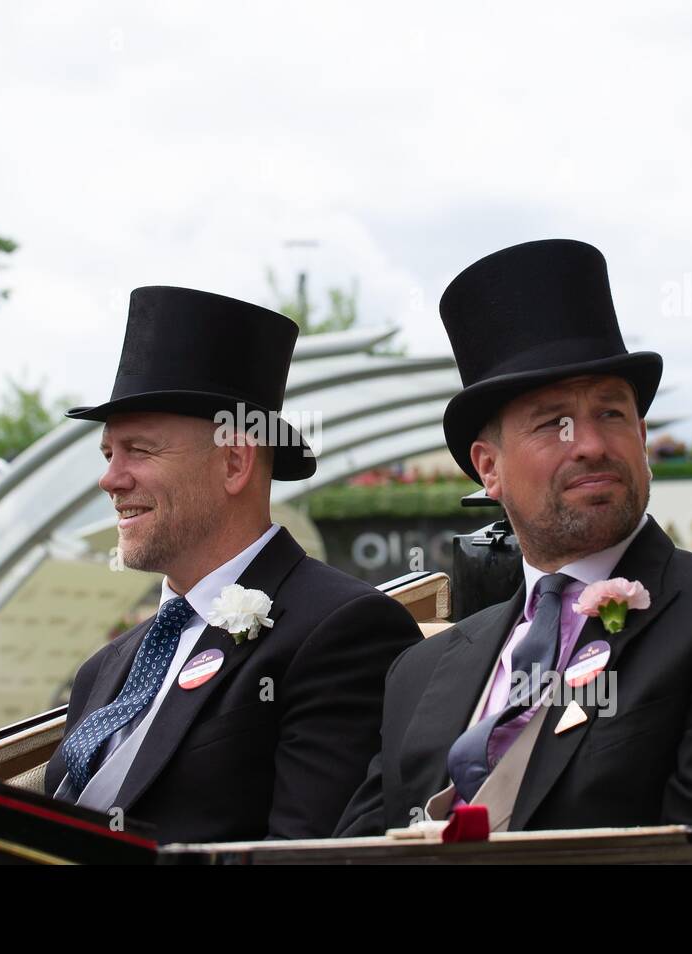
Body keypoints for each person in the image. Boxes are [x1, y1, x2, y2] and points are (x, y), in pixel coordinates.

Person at [336, 239, 692, 836]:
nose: (593, 444)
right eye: (555, 424)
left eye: (613, 413)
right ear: (487, 467)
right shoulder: (418, 671)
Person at [43, 286, 422, 842]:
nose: (110, 479)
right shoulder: (104, 668)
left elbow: (307, 857)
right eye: (108, 454)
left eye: (140, 451)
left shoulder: (344, 631)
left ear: (235, 462)